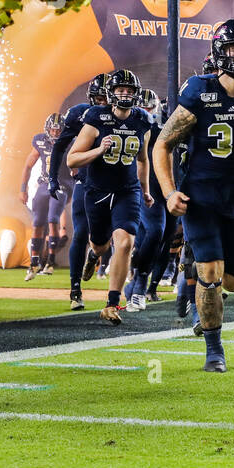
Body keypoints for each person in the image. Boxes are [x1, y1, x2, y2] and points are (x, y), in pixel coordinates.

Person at [153, 20, 234, 371]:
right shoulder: (199, 91)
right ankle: (214, 350)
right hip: (202, 195)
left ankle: (192, 265)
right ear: (219, 53)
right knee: (211, 275)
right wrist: (169, 192)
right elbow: (162, 144)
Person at [67, 69, 154, 325]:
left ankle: (112, 303)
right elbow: (73, 158)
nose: (125, 94)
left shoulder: (142, 120)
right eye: (120, 90)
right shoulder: (97, 118)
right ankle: (94, 255)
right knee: (100, 245)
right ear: (111, 93)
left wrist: (146, 190)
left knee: (126, 242)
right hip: (97, 191)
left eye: (129, 90)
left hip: (128, 190)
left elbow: (142, 159)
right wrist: (98, 150)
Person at [50, 75, 109, 310]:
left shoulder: (126, 115)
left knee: (112, 236)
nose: (103, 102)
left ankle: (95, 254)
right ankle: (75, 289)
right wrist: (53, 177)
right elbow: (60, 145)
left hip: (116, 184)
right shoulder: (79, 114)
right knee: (81, 232)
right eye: (99, 97)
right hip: (86, 181)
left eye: (107, 97)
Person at [126, 88, 167, 311]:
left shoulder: (169, 124)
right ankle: (140, 285)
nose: (145, 112)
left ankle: (143, 287)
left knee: (166, 240)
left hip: (171, 186)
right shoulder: (136, 127)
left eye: (149, 107)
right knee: (155, 231)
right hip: (148, 187)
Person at [19, 113, 64, 280]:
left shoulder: (70, 141)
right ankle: (34, 262)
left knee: (53, 219)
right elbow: (27, 166)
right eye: (53, 130)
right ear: (47, 129)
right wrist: (23, 189)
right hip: (44, 184)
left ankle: (50, 262)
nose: (55, 133)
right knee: (37, 222)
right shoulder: (40, 141)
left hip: (61, 185)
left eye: (58, 131)